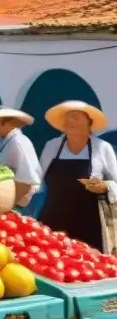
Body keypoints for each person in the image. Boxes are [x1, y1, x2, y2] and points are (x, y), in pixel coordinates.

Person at [38, 100, 117, 253]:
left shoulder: (103, 148)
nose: (70, 121)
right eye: (67, 117)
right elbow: (37, 180)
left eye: (75, 117)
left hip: (90, 225)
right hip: (53, 220)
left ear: (89, 123)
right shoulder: (52, 146)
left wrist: (105, 186)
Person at [0, 106, 42, 211]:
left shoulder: (18, 142)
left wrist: (7, 207)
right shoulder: (9, 141)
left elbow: (26, 182)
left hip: (22, 205)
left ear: (3, 122)